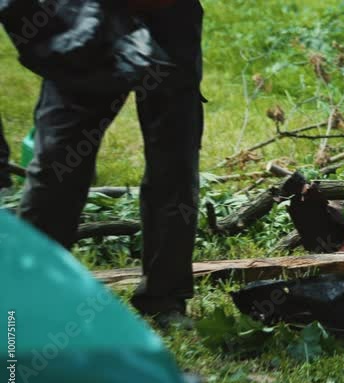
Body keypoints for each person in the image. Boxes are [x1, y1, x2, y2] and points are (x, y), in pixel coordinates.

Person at [17, 0, 204, 327]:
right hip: (88, 16)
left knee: (175, 162)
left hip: (171, 15)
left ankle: (165, 297)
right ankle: (30, 300)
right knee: (58, 164)